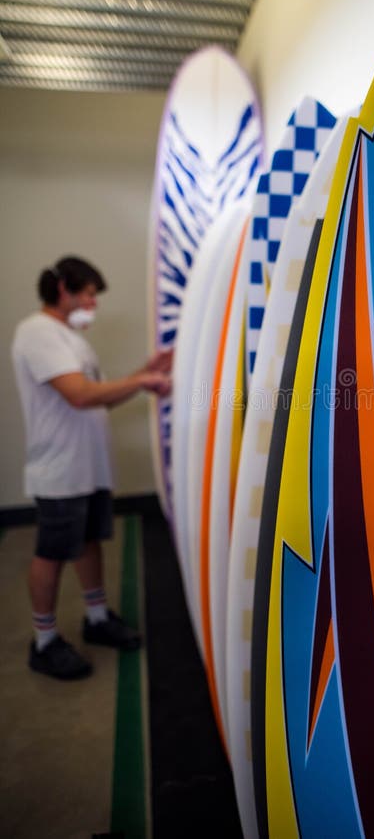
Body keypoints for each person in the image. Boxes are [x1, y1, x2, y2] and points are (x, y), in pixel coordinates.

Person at [11, 256, 172, 680]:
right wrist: (141, 382)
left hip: (88, 467)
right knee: (52, 552)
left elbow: (99, 395)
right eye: (87, 294)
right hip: (60, 471)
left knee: (88, 542)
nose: (92, 304)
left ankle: (96, 617)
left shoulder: (70, 338)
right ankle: (43, 642)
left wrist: (145, 373)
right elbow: (79, 396)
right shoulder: (37, 332)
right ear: (63, 288)